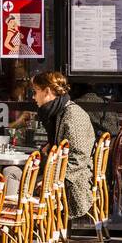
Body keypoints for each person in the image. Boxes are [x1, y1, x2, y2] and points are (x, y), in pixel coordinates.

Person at [30, 71, 97, 218]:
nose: (33, 97)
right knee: (16, 174)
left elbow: (78, 157)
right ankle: (27, 229)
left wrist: (52, 180)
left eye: (35, 92)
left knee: (15, 176)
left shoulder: (72, 114)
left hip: (73, 185)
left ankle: (21, 229)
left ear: (47, 91)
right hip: (60, 177)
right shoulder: (58, 112)